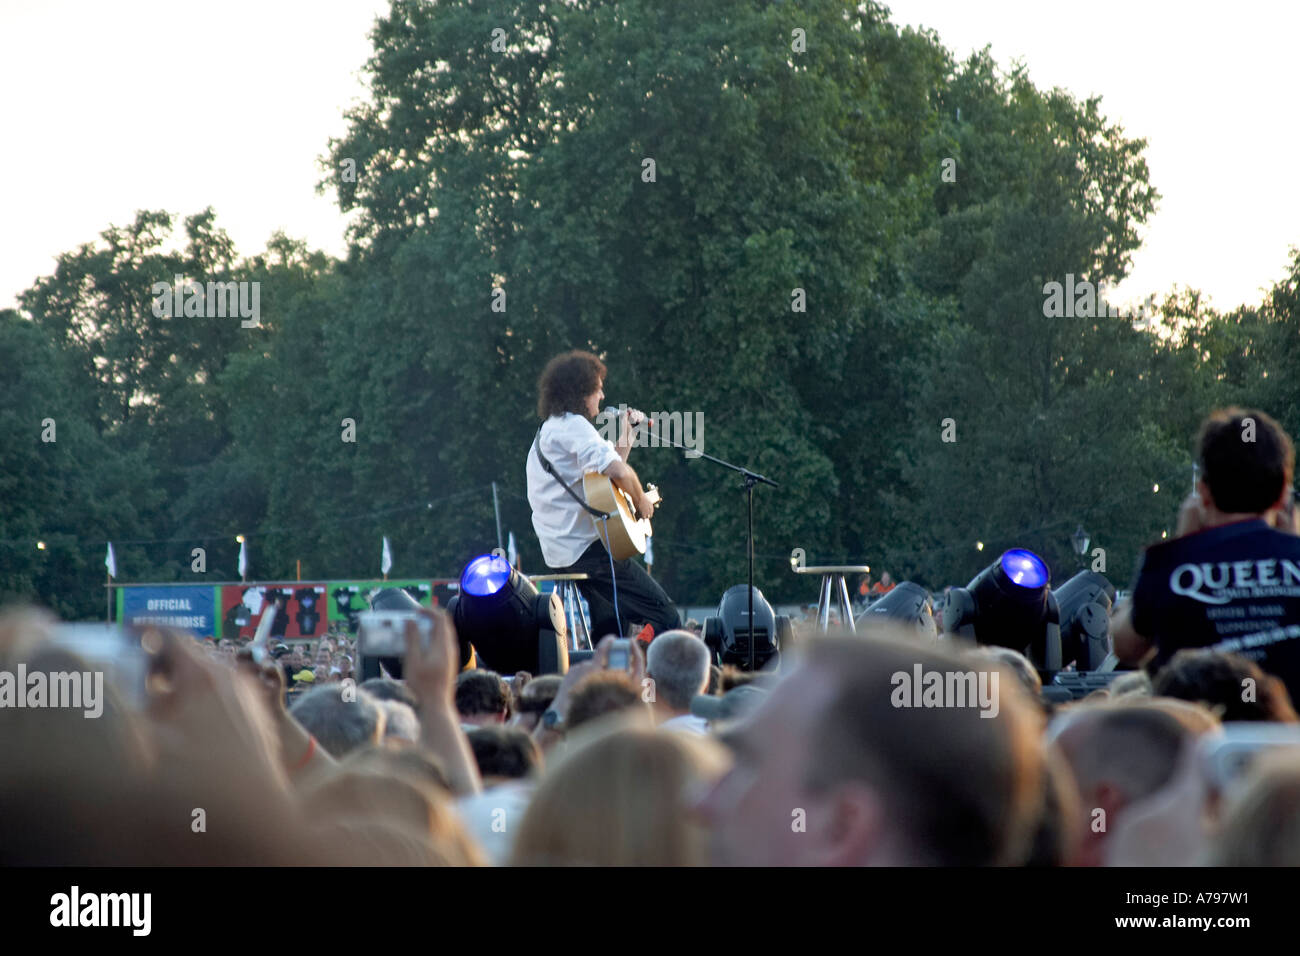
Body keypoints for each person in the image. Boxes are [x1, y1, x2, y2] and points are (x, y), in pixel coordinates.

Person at [1113, 407, 1300, 702]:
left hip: (1199, 739)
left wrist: (1181, 545)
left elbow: (1125, 646)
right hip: (1289, 743)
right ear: (1281, 497)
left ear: (1204, 492)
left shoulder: (1170, 563)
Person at [525, 350, 679, 639]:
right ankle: (644, 661)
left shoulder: (551, 430)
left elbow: (606, 479)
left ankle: (610, 673)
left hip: (564, 552)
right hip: (589, 550)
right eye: (597, 389)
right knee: (667, 617)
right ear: (581, 393)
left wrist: (628, 434)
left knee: (610, 629)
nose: (603, 395)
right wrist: (641, 500)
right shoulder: (574, 426)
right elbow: (620, 475)